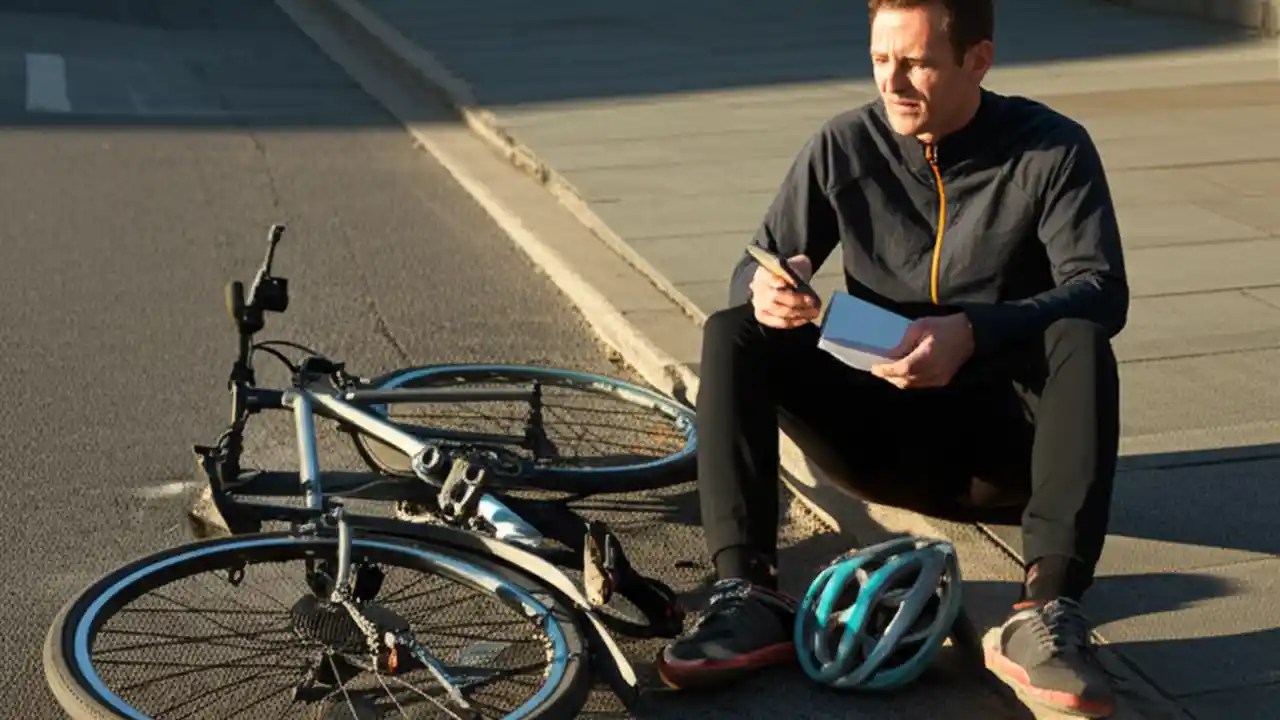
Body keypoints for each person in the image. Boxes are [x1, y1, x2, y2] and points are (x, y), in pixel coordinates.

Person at [655, 0, 1127, 716]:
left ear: (978, 59)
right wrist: (769, 292)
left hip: (1004, 455)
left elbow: (1102, 291)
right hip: (878, 434)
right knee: (734, 330)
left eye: (915, 62)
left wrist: (976, 330)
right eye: (880, 59)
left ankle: (1045, 612)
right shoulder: (844, 146)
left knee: (1080, 338)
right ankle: (746, 591)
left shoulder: (1050, 150)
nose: (892, 82)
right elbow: (754, 269)